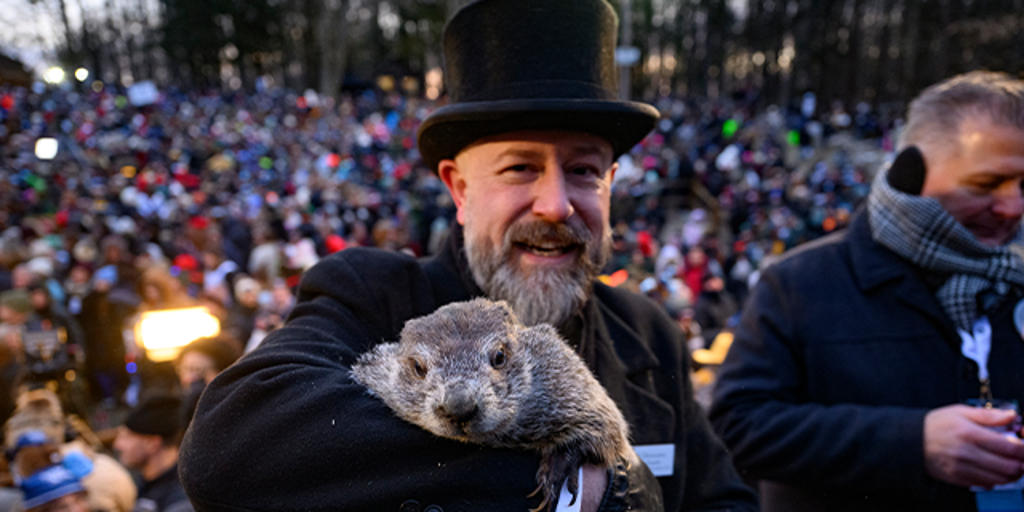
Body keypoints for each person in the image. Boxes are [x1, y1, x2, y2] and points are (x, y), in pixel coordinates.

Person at [179, 0, 757, 510]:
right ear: (459, 189)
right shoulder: (369, 291)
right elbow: (228, 446)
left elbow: (722, 499)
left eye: (583, 171)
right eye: (520, 168)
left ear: (610, 184)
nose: (555, 204)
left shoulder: (648, 331)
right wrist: (572, 494)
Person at [709, 71, 1024, 511]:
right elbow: (737, 428)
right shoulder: (800, 283)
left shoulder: (1015, 278)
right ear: (910, 172)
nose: (1013, 208)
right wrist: (911, 444)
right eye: (986, 185)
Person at [114, 394, 193, 512]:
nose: (117, 445)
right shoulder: (149, 484)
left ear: (152, 444)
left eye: (126, 437)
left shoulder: (180, 502)